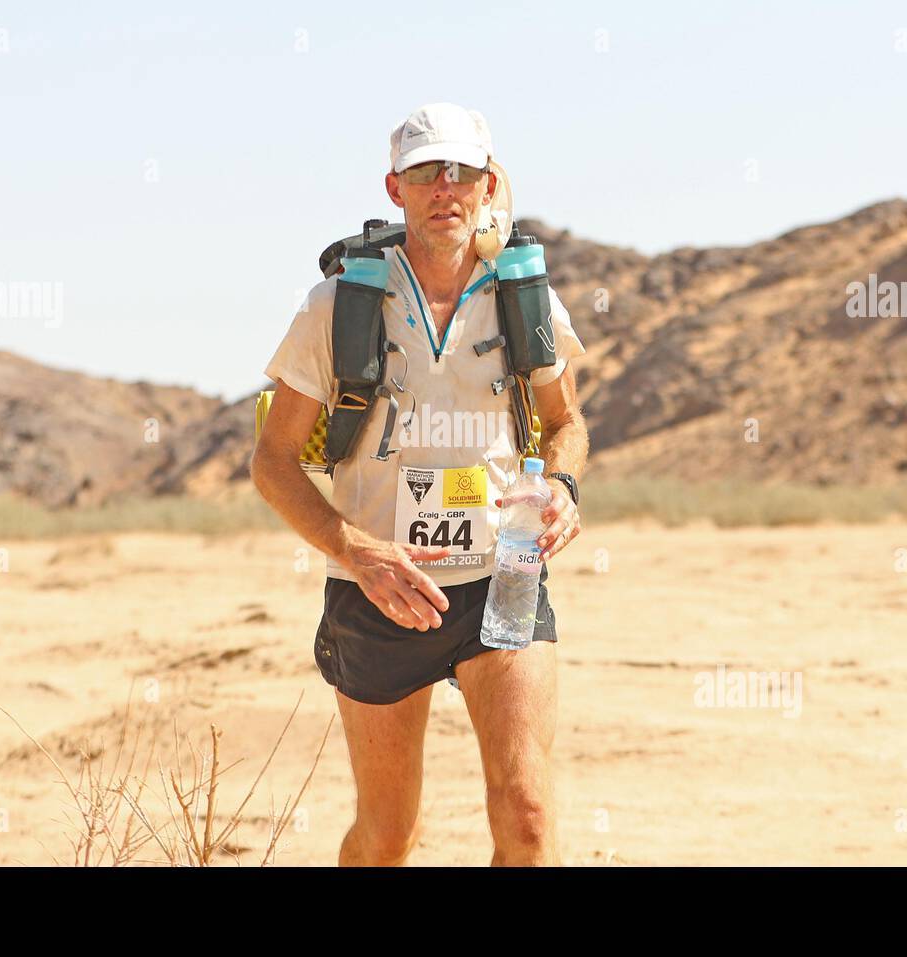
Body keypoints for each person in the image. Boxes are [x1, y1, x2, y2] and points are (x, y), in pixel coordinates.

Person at [252, 102, 589, 866]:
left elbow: (567, 422)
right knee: (387, 835)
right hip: (380, 589)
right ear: (393, 187)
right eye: (425, 172)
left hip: (507, 575)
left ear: (489, 184)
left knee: (529, 817)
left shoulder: (524, 297)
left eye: (463, 171)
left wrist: (564, 485)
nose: (446, 187)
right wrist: (356, 549)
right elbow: (271, 462)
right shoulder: (339, 306)